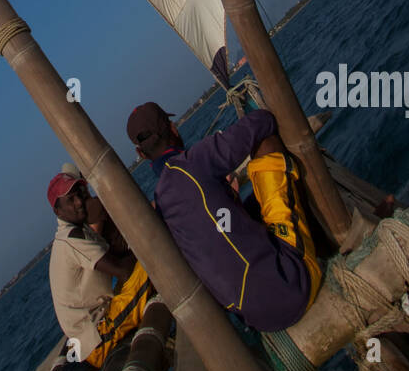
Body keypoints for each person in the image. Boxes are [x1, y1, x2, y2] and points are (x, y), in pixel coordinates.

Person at [126, 101, 321, 332]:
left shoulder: (161, 203)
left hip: (259, 320)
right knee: (266, 146)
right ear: (174, 128)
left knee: (247, 209)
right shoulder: (193, 162)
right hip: (294, 285)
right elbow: (261, 121)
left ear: (141, 153)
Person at [47, 171, 152, 368]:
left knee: (146, 259)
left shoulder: (73, 234)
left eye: (78, 195)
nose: (79, 202)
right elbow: (123, 271)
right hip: (98, 337)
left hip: (95, 328)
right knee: (155, 260)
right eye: (71, 200)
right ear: (58, 212)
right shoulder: (72, 239)